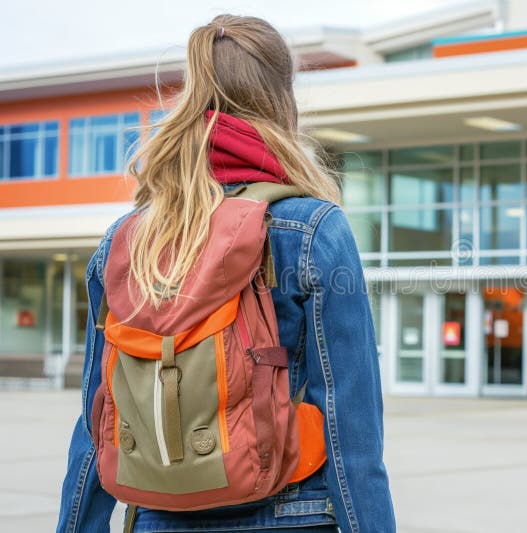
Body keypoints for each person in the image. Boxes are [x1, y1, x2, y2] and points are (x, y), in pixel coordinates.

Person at [57, 14, 396, 533]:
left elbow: (97, 419)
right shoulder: (312, 228)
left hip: (159, 517)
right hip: (293, 514)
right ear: (282, 98)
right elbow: (351, 428)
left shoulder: (129, 240)